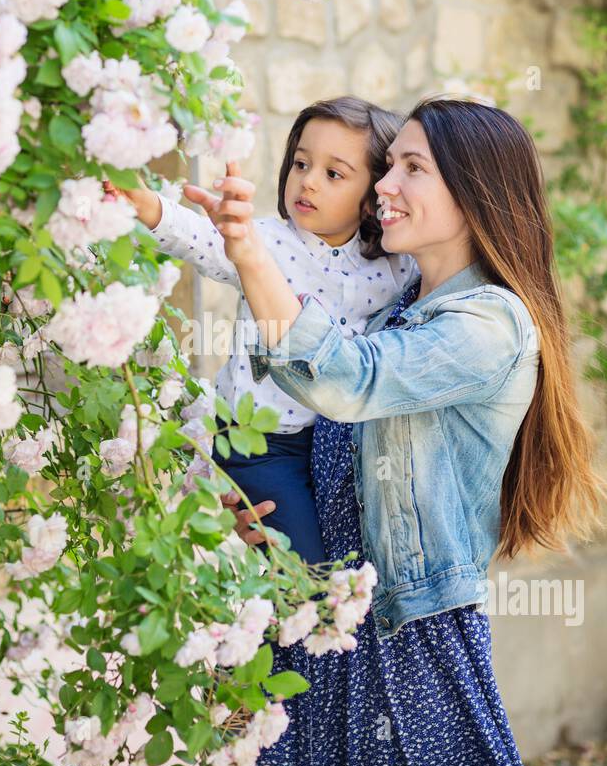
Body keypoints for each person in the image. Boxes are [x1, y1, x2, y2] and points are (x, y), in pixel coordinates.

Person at [205, 96, 607, 766]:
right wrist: (256, 516)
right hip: (324, 614)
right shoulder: (394, 308)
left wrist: (252, 256)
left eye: (411, 168)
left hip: (405, 643)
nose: (384, 186)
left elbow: (344, 380)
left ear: (472, 194)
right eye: (389, 165)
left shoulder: (487, 327)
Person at [112, 97, 412, 564]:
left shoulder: (393, 265)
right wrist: (148, 205)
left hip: (332, 446)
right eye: (300, 163)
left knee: (349, 566)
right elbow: (205, 242)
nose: (307, 180)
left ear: (374, 196)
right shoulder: (269, 242)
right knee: (306, 571)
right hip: (260, 444)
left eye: (333, 174)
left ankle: (287, 633)